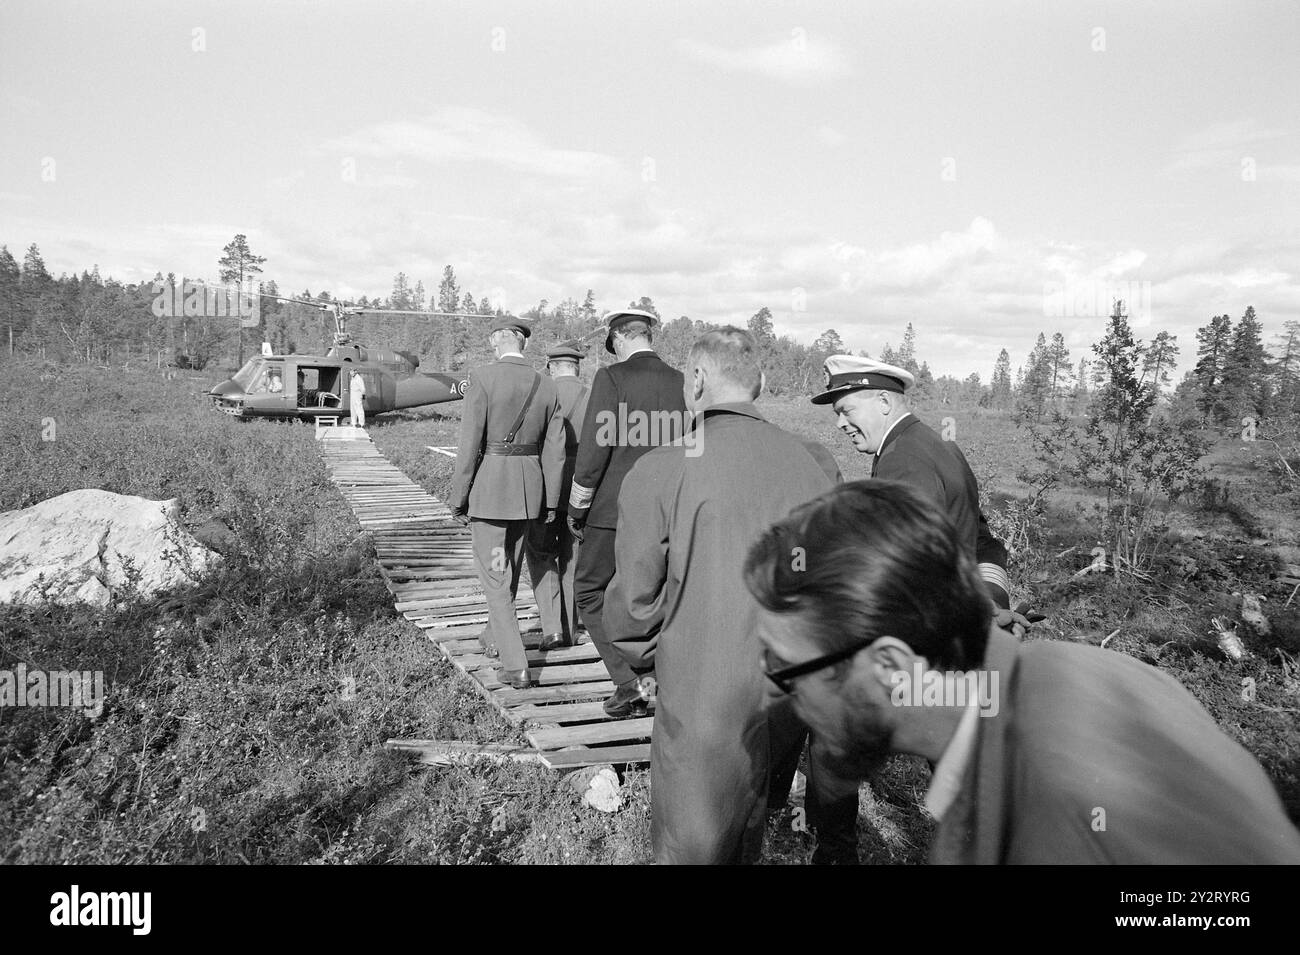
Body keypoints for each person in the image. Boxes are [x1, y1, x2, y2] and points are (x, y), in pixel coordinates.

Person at [744, 480, 1300, 864]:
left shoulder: (1059, 803)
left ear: (890, 665)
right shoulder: (1084, 670)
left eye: (786, 668)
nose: (775, 692)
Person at [605, 328, 840, 864]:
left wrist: (650, 662)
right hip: (786, 692)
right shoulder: (816, 465)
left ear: (697, 380)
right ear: (759, 382)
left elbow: (633, 603)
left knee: (692, 846)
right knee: (748, 835)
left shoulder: (663, 467)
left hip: (700, 696)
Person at [812, 355, 1012, 611]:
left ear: (884, 402)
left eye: (846, 411)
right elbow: (982, 541)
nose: (840, 423)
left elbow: (904, 566)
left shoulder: (902, 459)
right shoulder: (938, 444)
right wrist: (992, 601)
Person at [568, 308, 685, 718]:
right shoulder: (682, 382)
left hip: (611, 511)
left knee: (588, 590)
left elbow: (594, 451)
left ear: (618, 338)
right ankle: (660, 679)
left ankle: (629, 682)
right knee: (656, 594)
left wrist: (577, 506)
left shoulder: (612, 378)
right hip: (669, 510)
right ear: (648, 336)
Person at [450, 316, 566, 688]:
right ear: (524, 345)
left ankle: (517, 665)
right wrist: (548, 500)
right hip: (528, 495)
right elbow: (555, 451)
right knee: (507, 570)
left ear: (494, 342)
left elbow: (469, 445)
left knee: (496, 577)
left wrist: (458, 497)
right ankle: (492, 638)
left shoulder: (483, 378)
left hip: (492, 495)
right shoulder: (546, 386)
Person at [537, 340, 591, 647]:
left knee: (542, 553)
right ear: (577, 367)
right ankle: (571, 627)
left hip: (547, 482)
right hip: (582, 484)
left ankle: (550, 626)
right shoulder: (592, 396)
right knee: (573, 556)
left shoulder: (543, 392)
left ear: (553, 367)